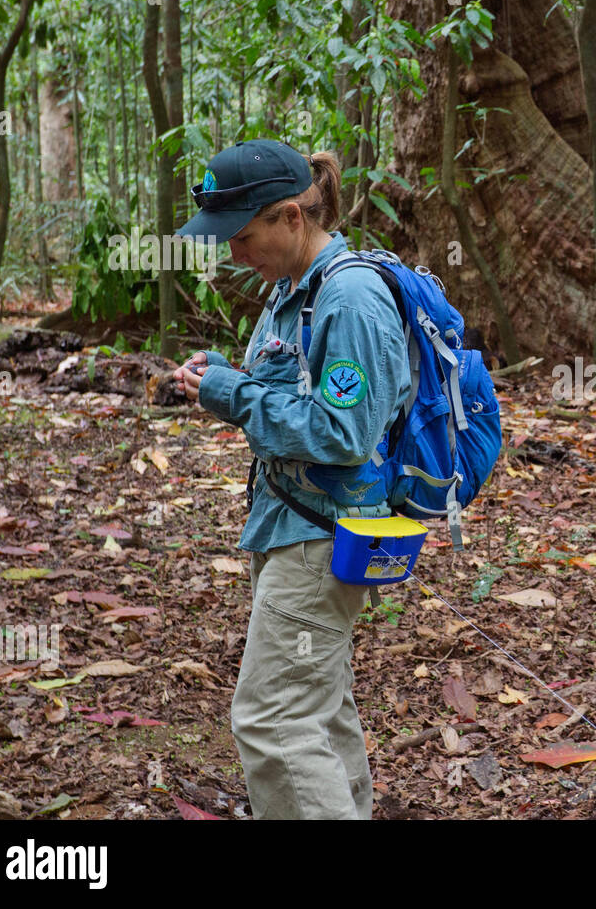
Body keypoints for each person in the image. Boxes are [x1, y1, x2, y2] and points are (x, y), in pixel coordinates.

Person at [172, 138, 411, 819]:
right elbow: (297, 396)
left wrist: (233, 395)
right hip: (291, 525)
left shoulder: (351, 298)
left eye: (243, 237)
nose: (234, 254)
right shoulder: (290, 293)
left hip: (322, 537)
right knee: (320, 707)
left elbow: (345, 433)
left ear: (291, 218)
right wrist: (227, 377)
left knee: (273, 722)